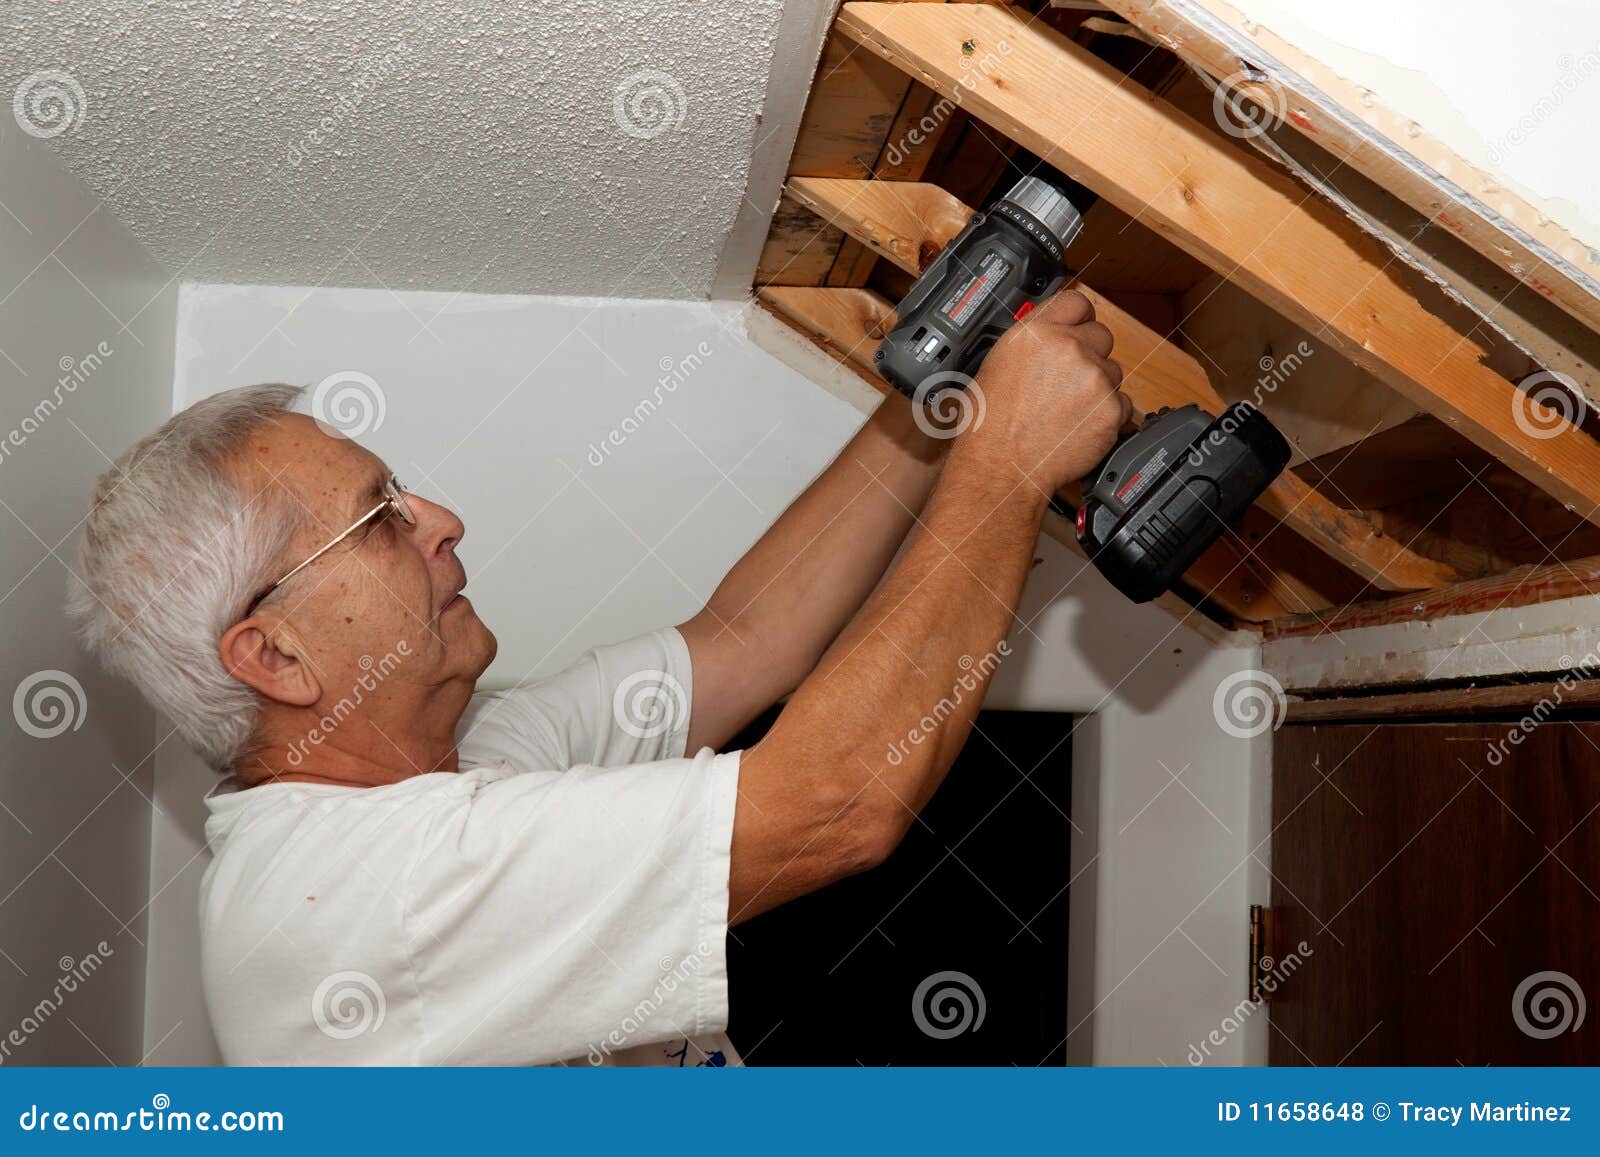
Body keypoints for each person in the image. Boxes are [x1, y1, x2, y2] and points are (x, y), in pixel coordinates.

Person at [67, 289, 1127, 1065]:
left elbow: (747, 638)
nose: (442, 520)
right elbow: (837, 802)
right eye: (379, 517)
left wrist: (944, 389)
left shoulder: (449, 765)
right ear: (277, 656)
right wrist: (1007, 463)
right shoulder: (360, 894)